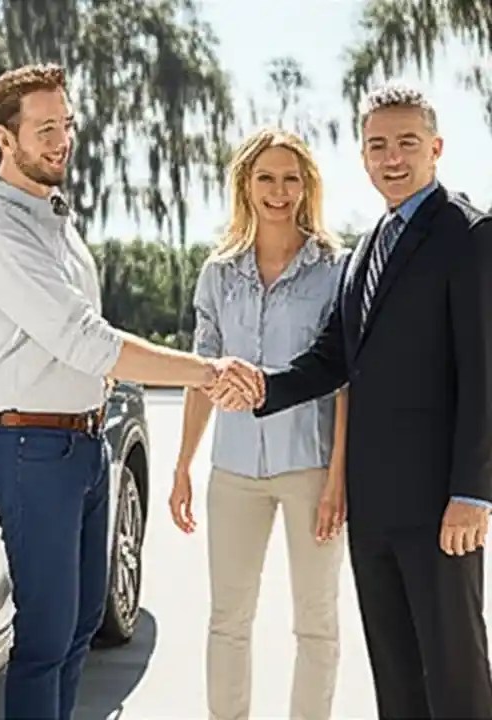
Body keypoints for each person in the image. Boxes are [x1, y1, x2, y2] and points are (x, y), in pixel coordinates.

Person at [0, 62, 255, 720]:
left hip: (81, 446)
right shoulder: (1, 232)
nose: (62, 140)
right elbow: (85, 339)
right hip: (32, 450)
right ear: (4, 138)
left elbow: (78, 341)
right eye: (45, 129)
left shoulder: (50, 218)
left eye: (66, 124)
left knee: (80, 628)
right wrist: (206, 371)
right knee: (45, 638)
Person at [210, 83, 492, 718]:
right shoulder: (367, 246)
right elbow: (335, 357)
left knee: (454, 669)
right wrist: (264, 386)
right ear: (363, 156)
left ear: (436, 148)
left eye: (407, 143)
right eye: (377, 145)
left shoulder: (469, 234)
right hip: (374, 504)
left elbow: (485, 371)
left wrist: (472, 493)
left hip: (439, 505)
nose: (392, 158)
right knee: (395, 668)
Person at [170, 127, 348, 720]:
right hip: (234, 470)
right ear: (245, 185)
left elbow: (345, 382)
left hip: (310, 468)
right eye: (266, 178)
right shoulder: (219, 273)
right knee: (228, 619)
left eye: (291, 179)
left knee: (316, 622)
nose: (279, 191)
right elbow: (201, 375)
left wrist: (337, 478)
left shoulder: (335, 270)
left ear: (307, 186)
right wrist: (183, 466)